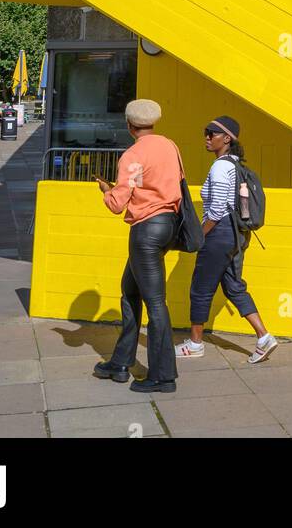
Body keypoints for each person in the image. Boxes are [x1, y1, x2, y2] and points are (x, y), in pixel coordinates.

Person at [94, 99, 182, 393]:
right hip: (169, 225)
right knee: (130, 290)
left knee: (155, 302)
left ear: (130, 126)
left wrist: (107, 192)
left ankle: (162, 375)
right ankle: (120, 362)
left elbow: (119, 204)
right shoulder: (170, 146)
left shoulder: (132, 155)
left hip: (145, 230)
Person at [176, 115, 277, 366]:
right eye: (206, 132)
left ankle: (195, 344)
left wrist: (200, 234)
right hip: (235, 237)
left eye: (212, 133)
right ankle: (264, 337)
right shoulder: (236, 165)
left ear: (227, 138)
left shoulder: (221, 166)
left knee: (200, 288)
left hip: (219, 234)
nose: (207, 138)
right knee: (233, 286)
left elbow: (218, 208)